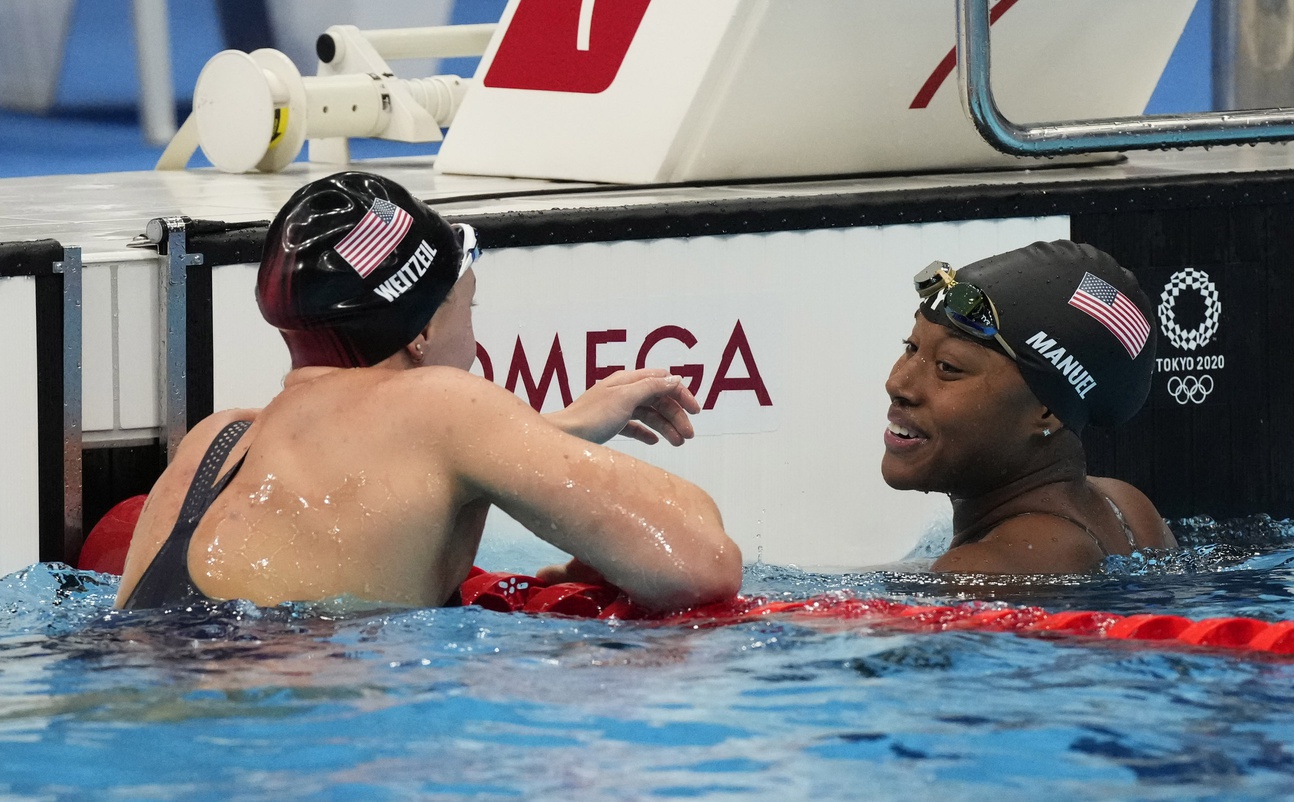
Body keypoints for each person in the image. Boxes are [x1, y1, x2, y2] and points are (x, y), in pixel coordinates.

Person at [115, 172, 741, 611]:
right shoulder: (440, 404)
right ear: (423, 330)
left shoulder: (214, 443)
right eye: (470, 309)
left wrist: (551, 434)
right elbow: (702, 566)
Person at [882, 240, 1177, 574]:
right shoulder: (1127, 507)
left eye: (948, 367)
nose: (898, 384)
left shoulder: (981, 571)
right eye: (911, 347)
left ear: (1047, 408)